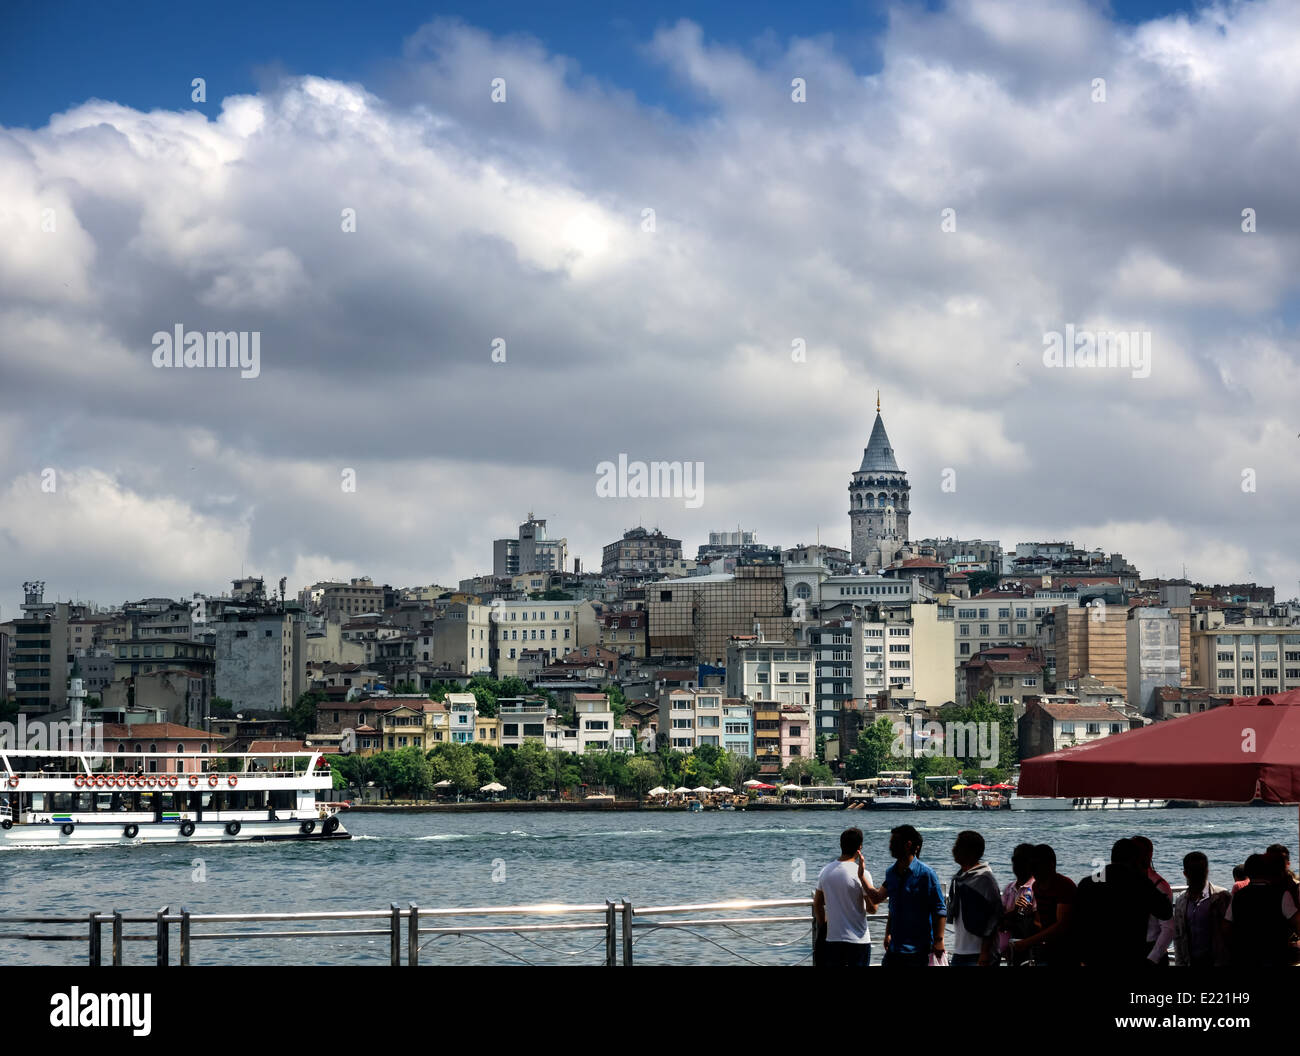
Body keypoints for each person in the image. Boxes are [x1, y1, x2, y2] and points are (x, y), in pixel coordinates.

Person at [1073, 838, 1173, 967]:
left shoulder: (1086, 884)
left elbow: (1076, 924)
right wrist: (1143, 878)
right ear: (1135, 861)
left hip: (1095, 957)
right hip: (1131, 957)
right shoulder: (1140, 885)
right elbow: (1165, 911)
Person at [879, 824, 946, 966]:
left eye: (893, 843)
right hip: (895, 948)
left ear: (908, 845)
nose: (890, 846)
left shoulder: (926, 874)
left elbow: (939, 909)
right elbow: (893, 906)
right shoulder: (891, 873)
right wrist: (887, 933)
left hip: (918, 949)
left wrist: (939, 941)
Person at [814, 827, 878, 966]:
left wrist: (823, 924)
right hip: (858, 940)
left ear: (841, 845)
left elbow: (818, 903)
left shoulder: (825, 871)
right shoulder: (863, 874)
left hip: (833, 939)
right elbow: (873, 909)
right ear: (859, 847)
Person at [1227, 853, 1300, 966]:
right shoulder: (1281, 895)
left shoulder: (1238, 896)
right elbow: (1297, 923)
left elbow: (1226, 926)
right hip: (1275, 956)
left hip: (1245, 957)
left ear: (1248, 872)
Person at [1013, 844, 1076, 965]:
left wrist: (1028, 942)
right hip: (1047, 948)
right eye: (1031, 867)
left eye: (1036, 867)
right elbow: (1043, 921)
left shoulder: (1064, 886)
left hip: (1067, 948)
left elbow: (1061, 926)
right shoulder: (1037, 886)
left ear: (1051, 865)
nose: (1033, 871)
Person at [947, 830, 1000, 966]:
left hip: (977, 954)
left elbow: (994, 917)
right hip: (960, 952)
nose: (953, 849)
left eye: (957, 846)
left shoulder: (985, 879)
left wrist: (985, 952)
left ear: (968, 851)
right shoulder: (960, 877)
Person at [1173, 851, 1230, 967]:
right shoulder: (1181, 901)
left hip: (1216, 961)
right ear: (1185, 873)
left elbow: (1230, 934)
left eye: (1200, 870)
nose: (1197, 874)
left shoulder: (1221, 897)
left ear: (1207, 871)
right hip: (1190, 961)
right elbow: (1178, 935)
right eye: (1194, 871)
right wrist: (1180, 962)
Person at [1131, 835, 1175, 965]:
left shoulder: (1160, 886)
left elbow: (1168, 929)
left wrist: (1152, 958)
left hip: (1150, 949)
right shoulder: (1159, 884)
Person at [999, 842, 1036, 966]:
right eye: (1015, 861)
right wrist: (1014, 912)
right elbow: (999, 918)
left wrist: (1030, 913)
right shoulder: (1009, 888)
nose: (1017, 865)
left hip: (1031, 949)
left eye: (1022, 862)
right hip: (1010, 948)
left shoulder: (1036, 888)